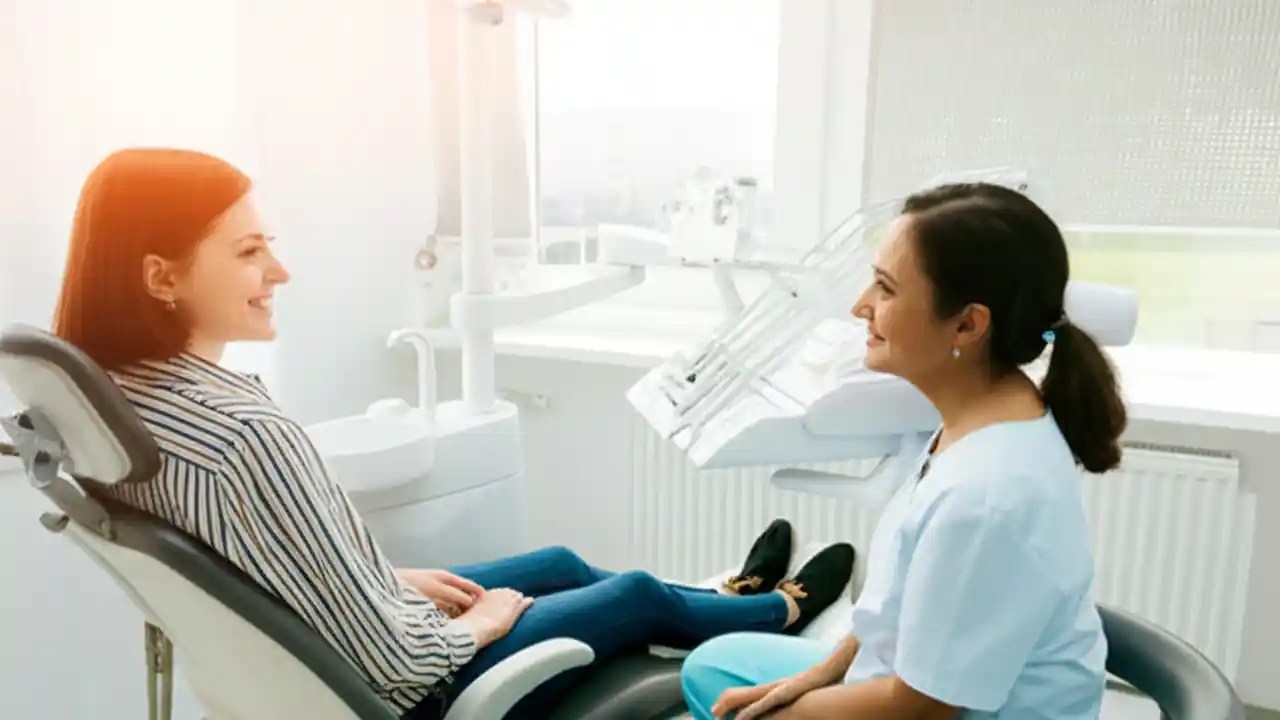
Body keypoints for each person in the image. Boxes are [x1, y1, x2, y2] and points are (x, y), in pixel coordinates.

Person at [50, 147, 857, 719]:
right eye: (250, 251)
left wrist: (388, 580)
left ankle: (717, 600)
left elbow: (253, 570)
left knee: (560, 565)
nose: (279, 273)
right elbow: (397, 668)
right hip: (416, 688)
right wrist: (476, 625)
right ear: (161, 277)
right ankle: (778, 616)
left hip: (352, 637)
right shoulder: (241, 433)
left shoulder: (116, 407)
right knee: (633, 594)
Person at [681, 183, 1126, 719]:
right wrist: (818, 676)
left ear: (967, 323)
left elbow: (922, 709)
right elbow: (900, 602)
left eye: (886, 289)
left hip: (940, 710)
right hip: (916, 683)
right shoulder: (981, 419)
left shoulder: (986, 496)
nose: (860, 305)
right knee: (710, 666)